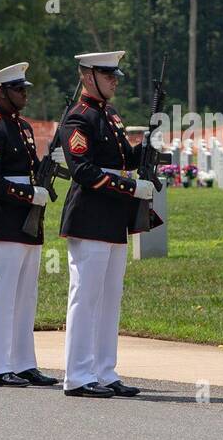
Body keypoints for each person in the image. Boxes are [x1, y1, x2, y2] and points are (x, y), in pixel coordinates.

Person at [58, 51, 161, 398]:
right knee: (85, 298)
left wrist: (146, 146)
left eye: (115, 74)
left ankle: (104, 370)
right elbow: (83, 170)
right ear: (88, 77)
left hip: (114, 218)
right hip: (89, 216)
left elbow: (122, 159)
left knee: (109, 299)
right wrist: (131, 187)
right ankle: (77, 374)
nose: (115, 80)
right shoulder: (78, 119)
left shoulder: (110, 116)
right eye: (107, 75)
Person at [0, 62, 59, 388]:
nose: (24, 94)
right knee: (0, 295)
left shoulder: (22, 127)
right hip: (4, 221)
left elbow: (31, 167)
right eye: (18, 89)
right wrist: (27, 194)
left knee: (26, 296)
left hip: (26, 221)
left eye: (25, 89)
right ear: (1, 92)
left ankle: (23, 363)